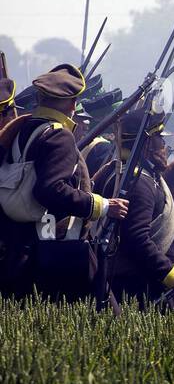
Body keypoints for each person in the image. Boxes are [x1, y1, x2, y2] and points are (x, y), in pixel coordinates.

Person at [0, 63, 128, 297]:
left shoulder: (23, 128)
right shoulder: (58, 135)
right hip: (51, 248)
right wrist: (103, 205)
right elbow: (50, 190)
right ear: (72, 104)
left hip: (22, 245)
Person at [106, 106, 174, 304]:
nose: (165, 146)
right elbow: (136, 237)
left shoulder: (128, 174)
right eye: (160, 139)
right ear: (147, 144)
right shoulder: (139, 183)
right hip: (147, 287)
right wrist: (169, 273)